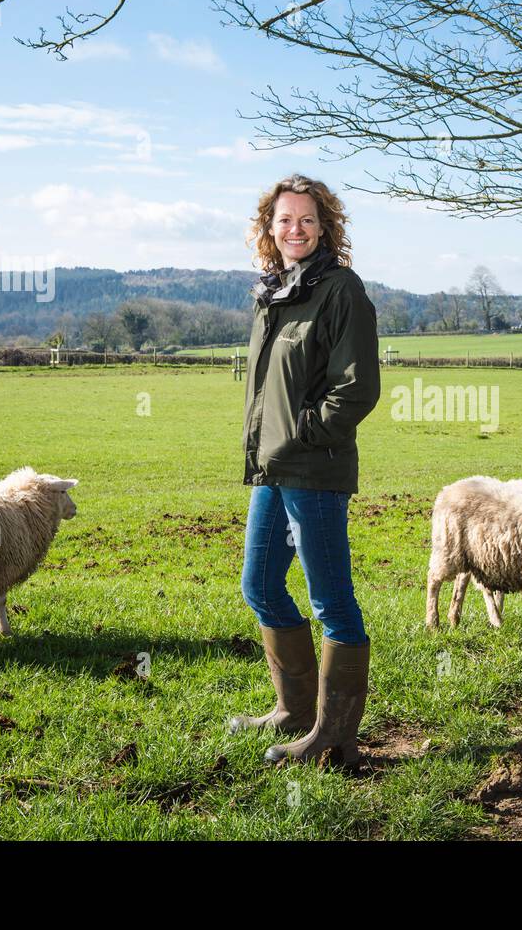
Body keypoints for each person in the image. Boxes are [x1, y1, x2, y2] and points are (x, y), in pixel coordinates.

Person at [229, 174, 380, 767]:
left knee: (332, 602)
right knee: (260, 585)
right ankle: (292, 709)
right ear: (270, 230)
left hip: (313, 470)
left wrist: (305, 435)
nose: (296, 229)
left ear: (325, 228)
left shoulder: (341, 289)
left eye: (307, 220)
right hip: (273, 469)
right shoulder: (276, 292)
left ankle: (335, 734)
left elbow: (357, 387)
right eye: (285, 220)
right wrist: (273, 445)